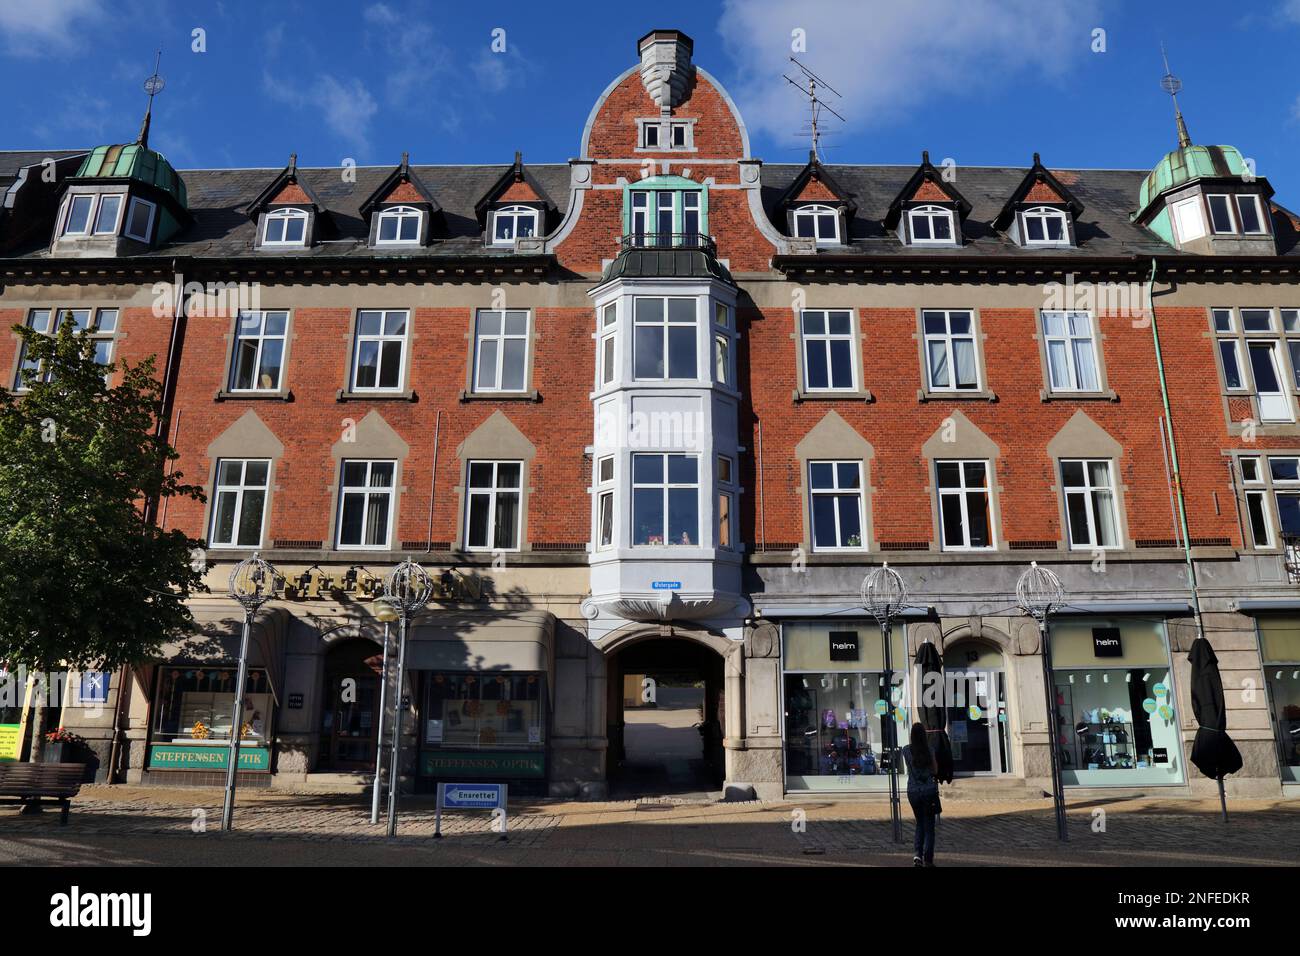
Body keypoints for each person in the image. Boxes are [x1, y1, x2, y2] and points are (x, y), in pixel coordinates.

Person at [900, 722, 941, 867]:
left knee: (919, 823)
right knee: (929, 826)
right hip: (928, 791)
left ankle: (917, 855)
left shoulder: (906, 750)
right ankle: (928, 859)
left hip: (913, 791)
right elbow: (935, 771)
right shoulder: (929, 750)